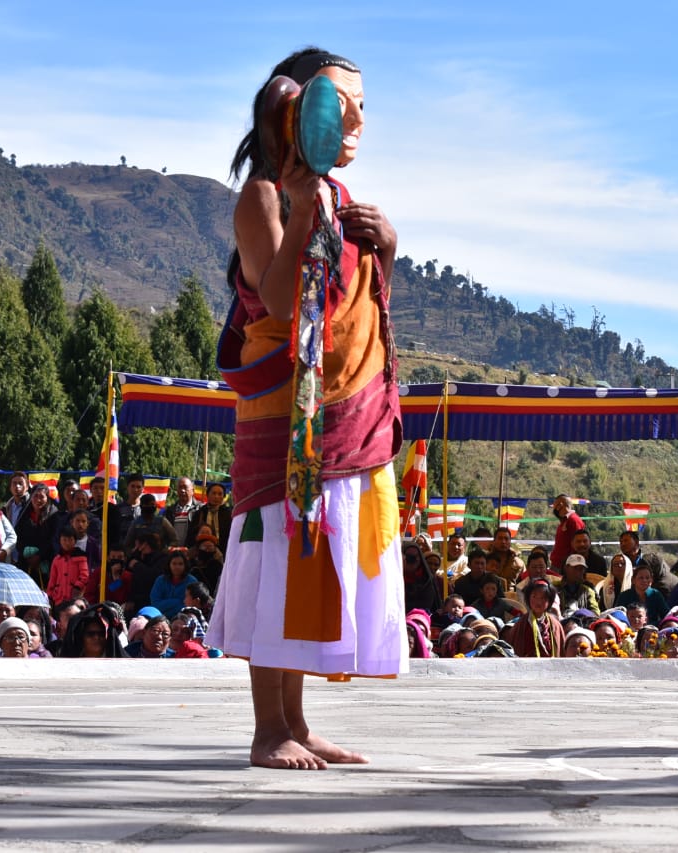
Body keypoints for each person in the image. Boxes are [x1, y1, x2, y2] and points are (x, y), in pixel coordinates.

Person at [205, 47, 407, 770]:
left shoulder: (342, 200)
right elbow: (284, 302)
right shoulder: (262, 196)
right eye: (341, 102)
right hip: (286, 419)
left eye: (363, 105)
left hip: (341, 417)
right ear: (300, 110)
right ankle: (268, 728)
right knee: (278, 559)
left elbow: (359, 311)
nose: (355, 118)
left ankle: (296, 718)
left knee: (308, 563)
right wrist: (294, 203)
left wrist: (387, 251)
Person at [509, 579, 565, 658]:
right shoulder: (521, 624)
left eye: (543, 598)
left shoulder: (555, 625)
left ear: (550, 601)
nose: (538, 601)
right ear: (528, 598)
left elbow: (562, 651)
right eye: (534, 596)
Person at [618, 530, 678, 594]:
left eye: (626, 541)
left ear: (636, 542)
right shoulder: (623, 565)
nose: (623, 544)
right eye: (621, 542)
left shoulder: (652, 561)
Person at [47, 527, 89, 606]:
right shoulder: (57, 559)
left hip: (75, 597)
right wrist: (50, 595)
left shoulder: (80, 556)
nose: (67, 543)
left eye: (70, 540)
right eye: (64, 540)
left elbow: (84, 575)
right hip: (59, 598)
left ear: (75, 541)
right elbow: (52, 580)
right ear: (60, 540)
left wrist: (77, 587)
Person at [187, 482, 233, 555]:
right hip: (202, 552)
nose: (216, 497)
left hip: (225, 552)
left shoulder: (229, 514)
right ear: (207, 495)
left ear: (223, 497)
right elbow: (191, 536)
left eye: (220, 494)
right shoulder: (199, 513)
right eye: (213, 493)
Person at [151, 551, 200, 618]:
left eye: (180, 564)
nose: (177, 567)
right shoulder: (160, 580)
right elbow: (155, 604)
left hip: (184, 619)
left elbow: (192, 605)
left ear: (185, 565)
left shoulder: (192, 581)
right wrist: (177, 601)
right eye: (174, 563)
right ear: (169, 565)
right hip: (161, 618)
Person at [549, 495, 586, 570]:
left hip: (564, 566)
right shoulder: (565, 521)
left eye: (555, 507)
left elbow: (577, 546)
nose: (554, 510)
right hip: (558, 565)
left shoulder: (573, 520)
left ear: (560, 505)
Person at [163, 478, 201, 546]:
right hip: (173, 552)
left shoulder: (200, 509)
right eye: (180, 487)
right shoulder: (169, 511)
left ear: (193, 490)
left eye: (185, 487)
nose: (182, 490)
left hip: (191, 553)